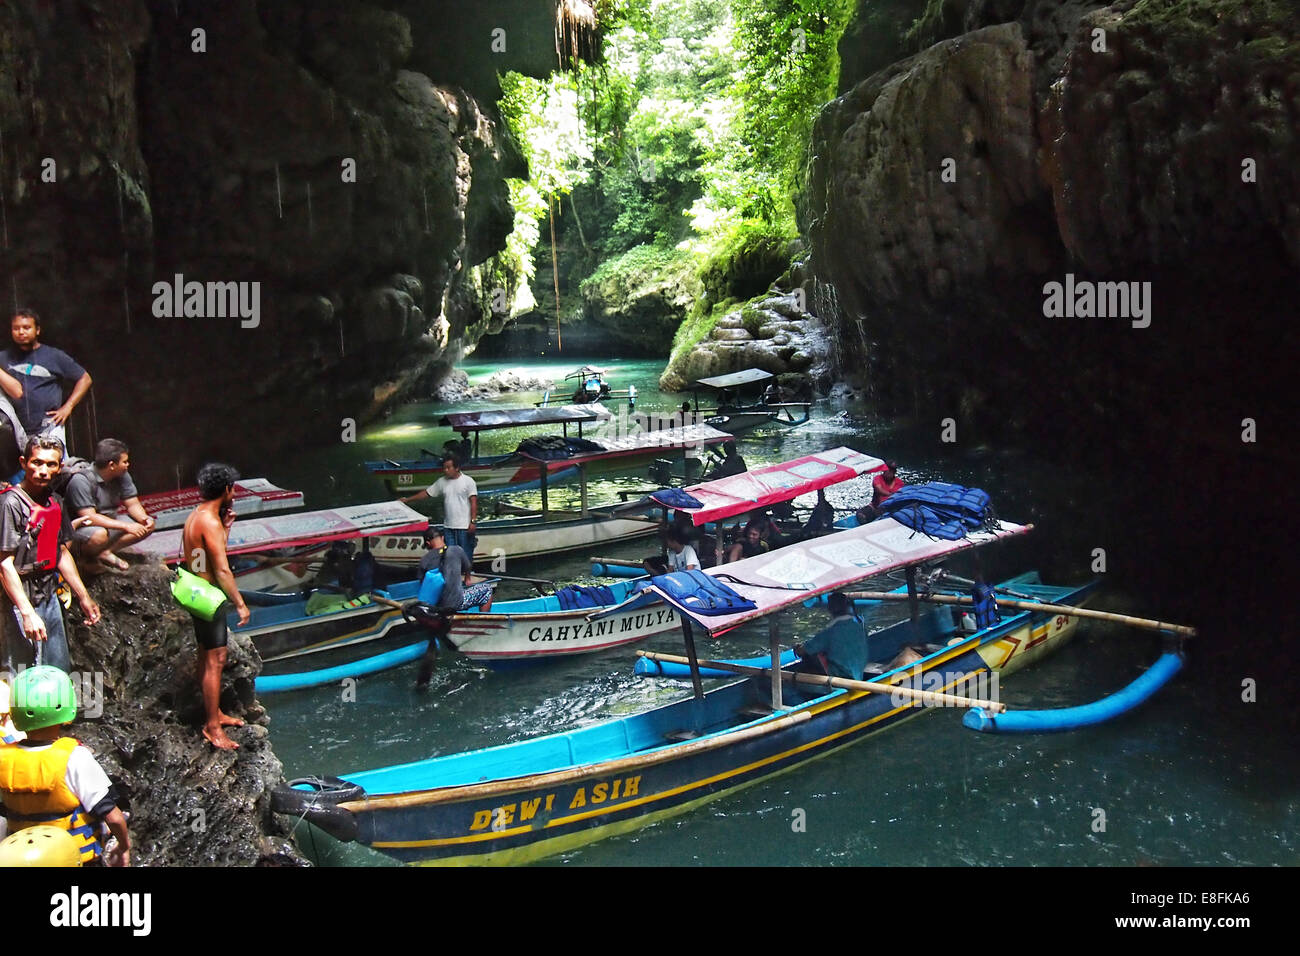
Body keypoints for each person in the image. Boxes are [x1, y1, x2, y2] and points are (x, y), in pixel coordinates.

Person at [0, 666, 130, 866]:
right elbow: (114, 818)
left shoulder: (4, 758)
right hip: (73, 858)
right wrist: (123, 847)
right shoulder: (75, 757)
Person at [0, 436, 100, 673]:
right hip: (18, 599)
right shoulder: (10, 504)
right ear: (24, 463)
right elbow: (4, 564)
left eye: (51, 464)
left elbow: (61, 552)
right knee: (23, 674)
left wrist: (83, 596)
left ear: (59, 467)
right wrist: (26, 613)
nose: (43, 471)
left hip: (48, 594)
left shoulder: (55, 501)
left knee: (58, 669)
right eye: (37, 463)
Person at [179, 463, 250, 751]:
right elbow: (222, 570)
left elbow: (199, 559)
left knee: (206, 655)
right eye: (233, 487)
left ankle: (215, 712)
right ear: (226, 490)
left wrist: (226, 528)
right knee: (215, 660)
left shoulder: (198, 516)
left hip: (196, 590)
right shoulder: (209, 521)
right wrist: (241, 604)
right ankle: (212, 725)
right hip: (209, 596)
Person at [2, 309, 92, 449]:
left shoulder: (54, 355)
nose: (21, 332)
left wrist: (68, 407)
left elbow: (85, 379)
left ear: (37, 330)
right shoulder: (3, 358)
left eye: (26, 327)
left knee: (53, 465)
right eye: (16, 328)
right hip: (16, 428)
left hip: (49, 425)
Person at [66, 438, 155, 572]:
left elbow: (132, 503)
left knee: (147, 525)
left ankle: (106, 552)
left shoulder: (122, 475)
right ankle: (85, 560)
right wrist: (126, 526)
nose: (127, 464)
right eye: (124, 462)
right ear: (112, 465)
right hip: (84, 529)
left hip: (111, 522)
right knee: (99, 535)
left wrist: (144, 518)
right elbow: (89, 517)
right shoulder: (81, 481)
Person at [400, 454, 478, 558]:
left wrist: (473, 521)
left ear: (457, 468)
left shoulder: (468, 481)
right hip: (448, 526)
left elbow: (473, 502)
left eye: (448, 468)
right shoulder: (442, 481)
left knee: (466, 553)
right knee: (449, 555)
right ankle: (452, 573)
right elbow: (427, 493)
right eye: (444, 468)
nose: (445, 470)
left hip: (464, 526)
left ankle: (467, 574)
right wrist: (407, 500)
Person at [793, 592, 867, 681]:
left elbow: (804, 650)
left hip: (842, 676)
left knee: (811, 656)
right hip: (858, 672)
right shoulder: (859, 626)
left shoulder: (828, 633)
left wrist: (797, 648)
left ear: (829, 609)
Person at [420, 526, 492, 612]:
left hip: (435, 605)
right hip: (456, 603)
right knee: (487, 589)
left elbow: (423, 583)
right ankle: (483, 621)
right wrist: (467, 579)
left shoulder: (424, 560)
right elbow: (468, 566)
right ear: (442, 538)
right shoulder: (457, 550)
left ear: (428, 544)